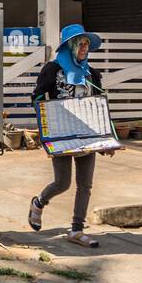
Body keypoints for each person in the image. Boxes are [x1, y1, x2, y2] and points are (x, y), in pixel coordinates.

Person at [28, 24, 111, 247]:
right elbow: (36, 98)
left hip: (87, 135)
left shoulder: (91, 74)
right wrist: (47, 125)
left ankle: (76, 229)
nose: (84, 48)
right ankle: (39, 202)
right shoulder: (52, 70)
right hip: (61, 135)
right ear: (69, 46)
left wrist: (106, 139)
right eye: (80, 44)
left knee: (85, 184)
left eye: (86, 44)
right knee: (62, 182)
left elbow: (100, 106)